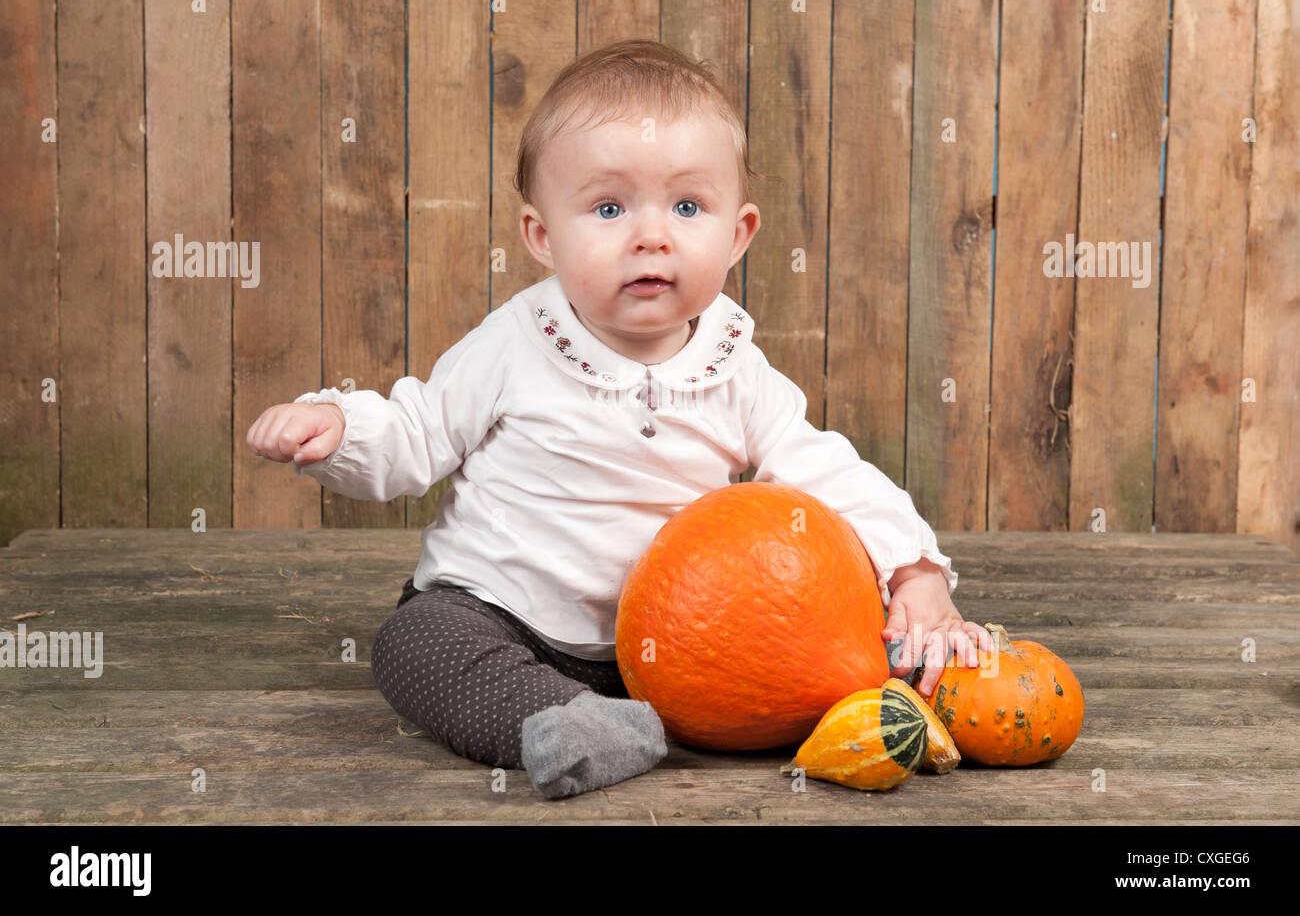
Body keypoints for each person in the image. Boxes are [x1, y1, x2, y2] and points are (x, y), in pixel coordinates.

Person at [246, 39, 988, 800]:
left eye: (688, 207)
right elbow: (420, 431)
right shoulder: (515, 342)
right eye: (608, 208)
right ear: (543, 236)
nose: (651, 235)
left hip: (678, 647)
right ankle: (562, 721)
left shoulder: (734, 365)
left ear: (738, 233)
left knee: (810, 648)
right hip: (500, 613)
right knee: (415, 643)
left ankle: (876, 685)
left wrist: (915, 568)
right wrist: (339, 425)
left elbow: (824, 469)